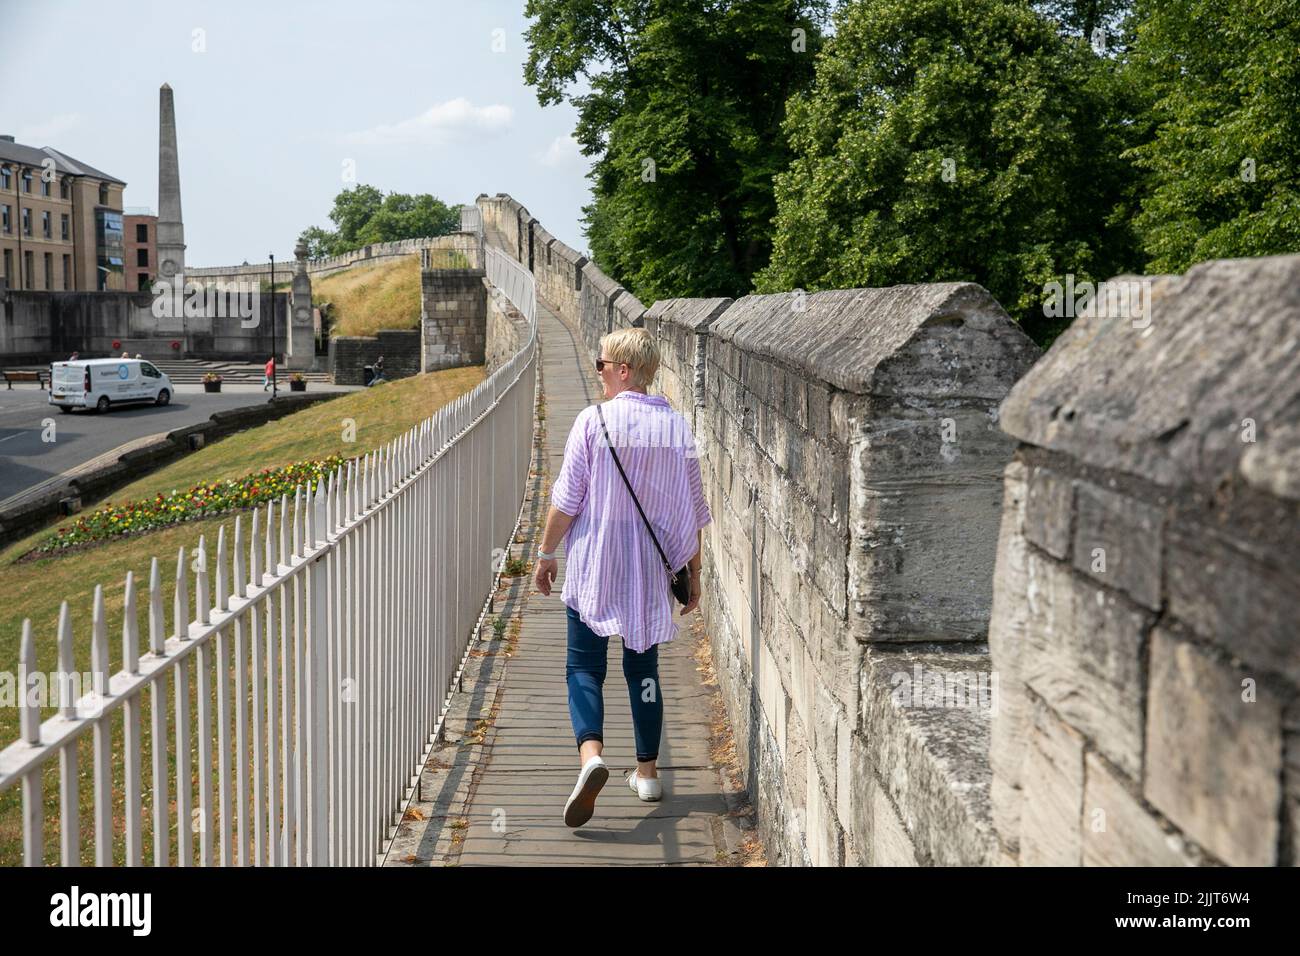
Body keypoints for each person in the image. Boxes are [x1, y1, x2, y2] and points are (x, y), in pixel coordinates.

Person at [533, 327, 711, 828]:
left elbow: (567, 501)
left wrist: (546, 554)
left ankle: (591, 757)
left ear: (625, 370)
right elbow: (692, 510)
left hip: (595, 563)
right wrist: (693, 573)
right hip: (650, 568)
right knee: (644, 672)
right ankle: (648, 774)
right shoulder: (676, 427)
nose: (598, 371)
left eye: (602, 364)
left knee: (584, 669)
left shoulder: (593, 421)